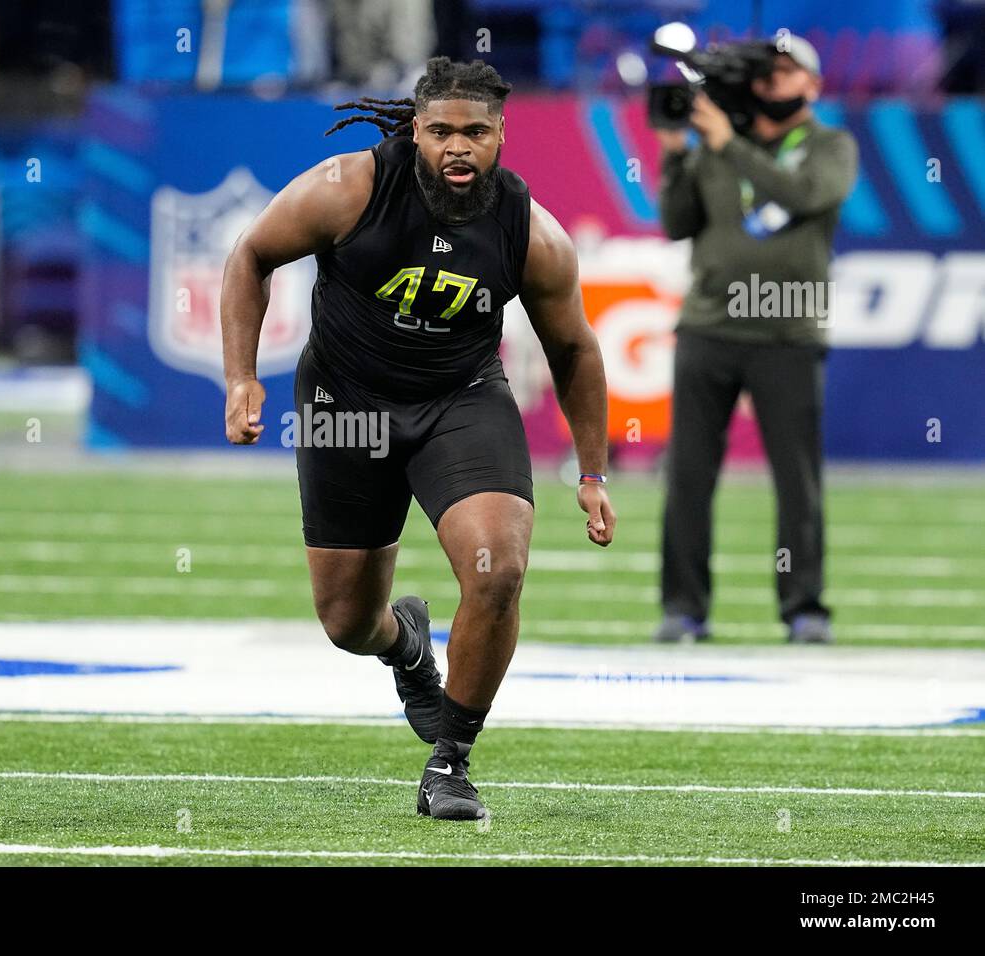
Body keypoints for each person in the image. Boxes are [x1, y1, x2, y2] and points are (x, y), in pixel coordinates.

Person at [221, 57, 615, 820]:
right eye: (441, 131)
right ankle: (404, 643)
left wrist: (591, 470)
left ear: (502, 135)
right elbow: (251, 256)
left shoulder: (532, 234)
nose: (457, 147)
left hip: (459, 400)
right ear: (416, 129)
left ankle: (452, 761)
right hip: (347, 400)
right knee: (345, 623)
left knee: (497, 570)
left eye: (475, 131)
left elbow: (575, 349)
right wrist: (242, 376)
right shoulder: (348, 187)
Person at [654, 36, 857, 644]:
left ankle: (804, 608)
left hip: (788, 333)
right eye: (767, 71)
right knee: (688, 476)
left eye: (789, 71)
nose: (773, 80)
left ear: (813, 87)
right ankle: (684, 609)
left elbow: (804, 196)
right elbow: (674, 224)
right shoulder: (717, 146)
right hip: (708, 328)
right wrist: (673, 154)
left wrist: (728, 145)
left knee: (798, 481)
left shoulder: (830, 145)